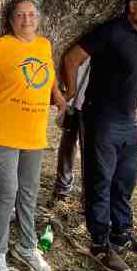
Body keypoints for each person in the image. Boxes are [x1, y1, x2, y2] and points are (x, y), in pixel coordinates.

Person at [62, 0, 137, 271]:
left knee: (124, 183)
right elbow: (72, 57)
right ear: (133, 6)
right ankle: (99, 244)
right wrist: (70, 91)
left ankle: (122, 235)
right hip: (101, 120)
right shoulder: (110, 31)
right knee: (100, 184)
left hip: (129, 121)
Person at [0, 0, 65, 271]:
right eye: (20, 15)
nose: (26, 19)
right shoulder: (0, 46)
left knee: (29, 193)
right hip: (4, 131)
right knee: (7, 191)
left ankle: (27, 246)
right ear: (11, 20)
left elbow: (49, 76)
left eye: (32, 14)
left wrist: (58, 98)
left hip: (34, 133)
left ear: (38, 18)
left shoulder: (44, 45)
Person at [52, 57, 90, 204]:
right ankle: (62, 187)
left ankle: (88, 195)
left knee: (88, 148)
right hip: (72, 101)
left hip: (90, 103)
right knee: (67, 143)